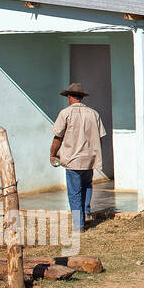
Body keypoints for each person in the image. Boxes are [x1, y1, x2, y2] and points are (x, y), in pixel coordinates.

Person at [50, 82, 107, 232]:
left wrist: (53, 153)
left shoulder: (65, 113)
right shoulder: (94, 114)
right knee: (87, 185)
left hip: (72, 159)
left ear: (69, 97)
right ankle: (86, 212)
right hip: (89, 158)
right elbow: (100, 137)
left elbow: (58, 137)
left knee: (74, 192)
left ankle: (78, 225)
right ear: (81, 98)